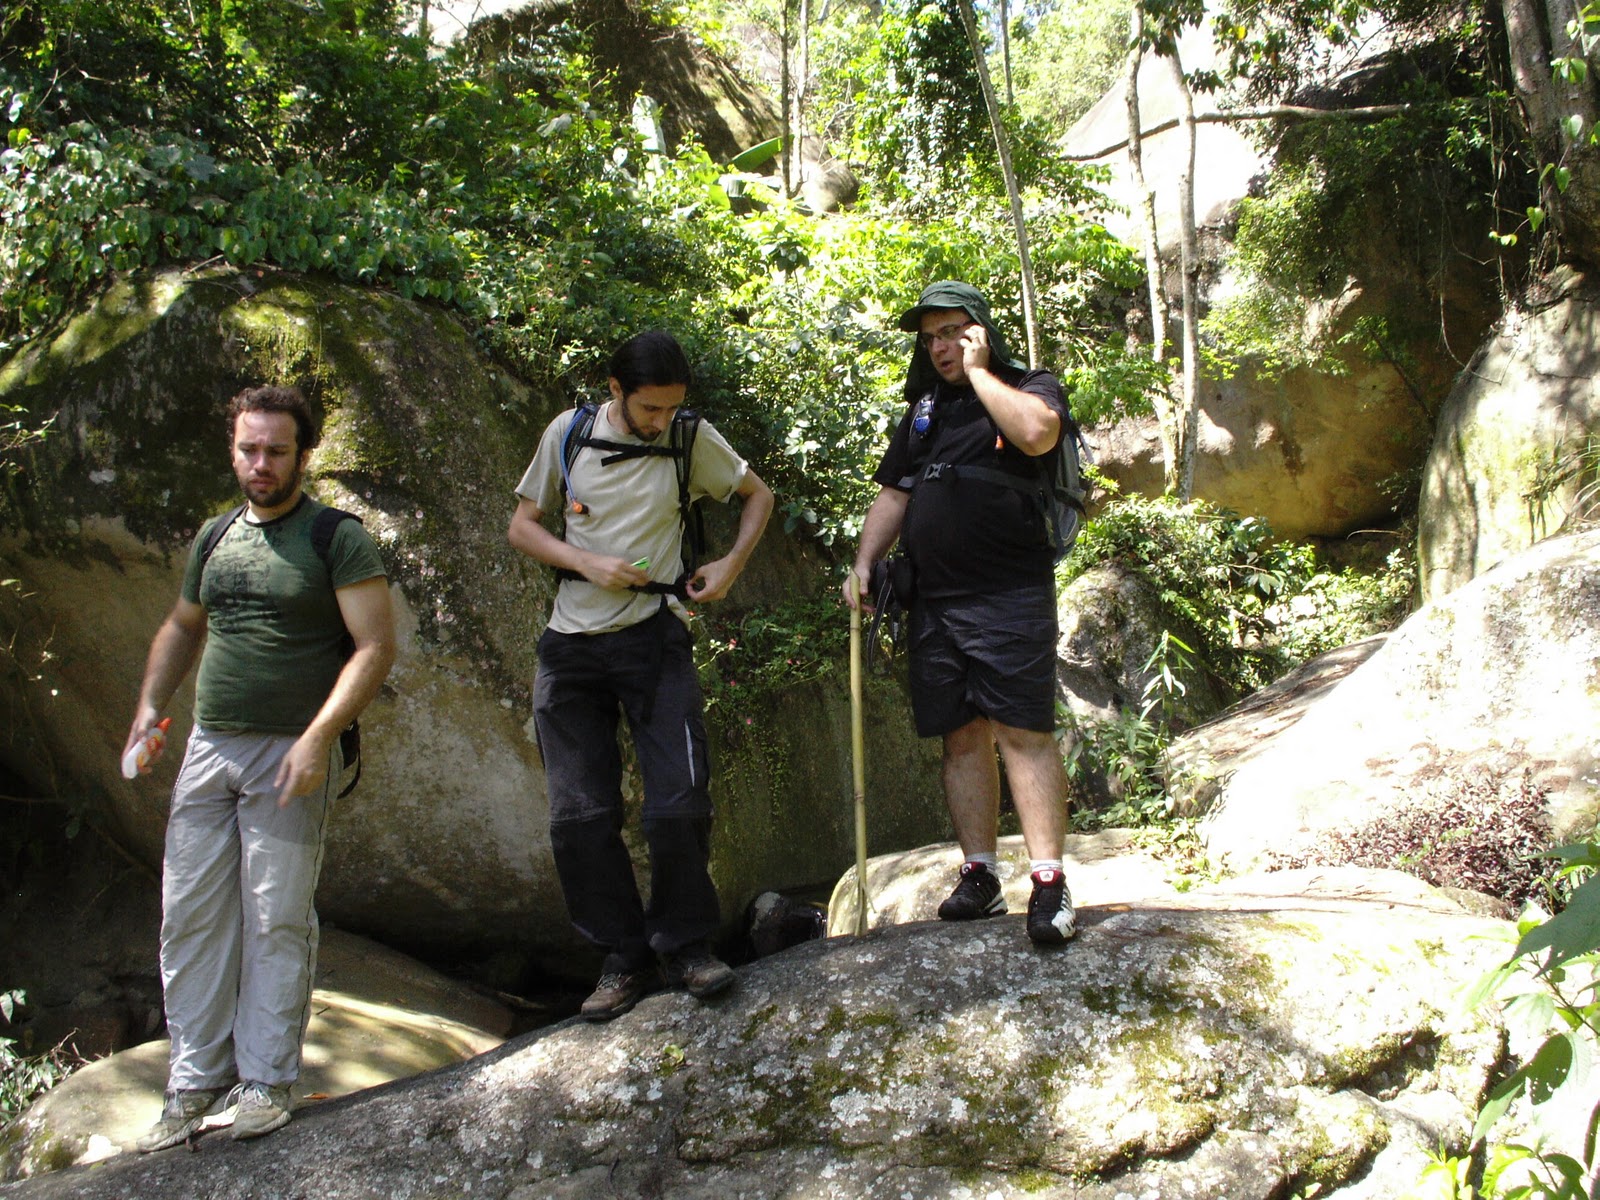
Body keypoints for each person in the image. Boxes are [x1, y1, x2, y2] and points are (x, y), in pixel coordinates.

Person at [126, 385, 396, 1151]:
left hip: (289, 753)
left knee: (276, 916)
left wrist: (319, 738)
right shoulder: (215, 537)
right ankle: (190, 1084)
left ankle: (267, 1080)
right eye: (249, 449)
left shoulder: (335, 538)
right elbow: (183, 626)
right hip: (210, 747)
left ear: (303, 455)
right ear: (232, 448)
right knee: (190, 916)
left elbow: (376, 647)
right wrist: (150, 709)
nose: (261, 464)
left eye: (277, 451)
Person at [507, 330, 774, 1021]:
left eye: (671, 409)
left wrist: (731, 566)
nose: (660, 422)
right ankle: (623, 958)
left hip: (655, 637)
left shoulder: (689, 438)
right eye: (649, 409)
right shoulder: (568, 434)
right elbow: (522, 526)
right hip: (571, 647)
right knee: (578, 818)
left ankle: (686, 945)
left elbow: (757, 496)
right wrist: (585, 562)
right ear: (615, 391)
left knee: (678, 803)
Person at [844, 280, 1077, 946]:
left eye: (952, 332)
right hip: (935, 601)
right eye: (931, 337)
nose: (941, 347)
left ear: (979, 331)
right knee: (960, 735)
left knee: (1022, 732)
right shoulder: (922, 411)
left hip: (1008, 592)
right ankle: (979, 875)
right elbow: (895, 494)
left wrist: (979, 374)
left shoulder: (1031, 385)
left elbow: (1036, 437)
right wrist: (865, 561)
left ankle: (1050, 883)